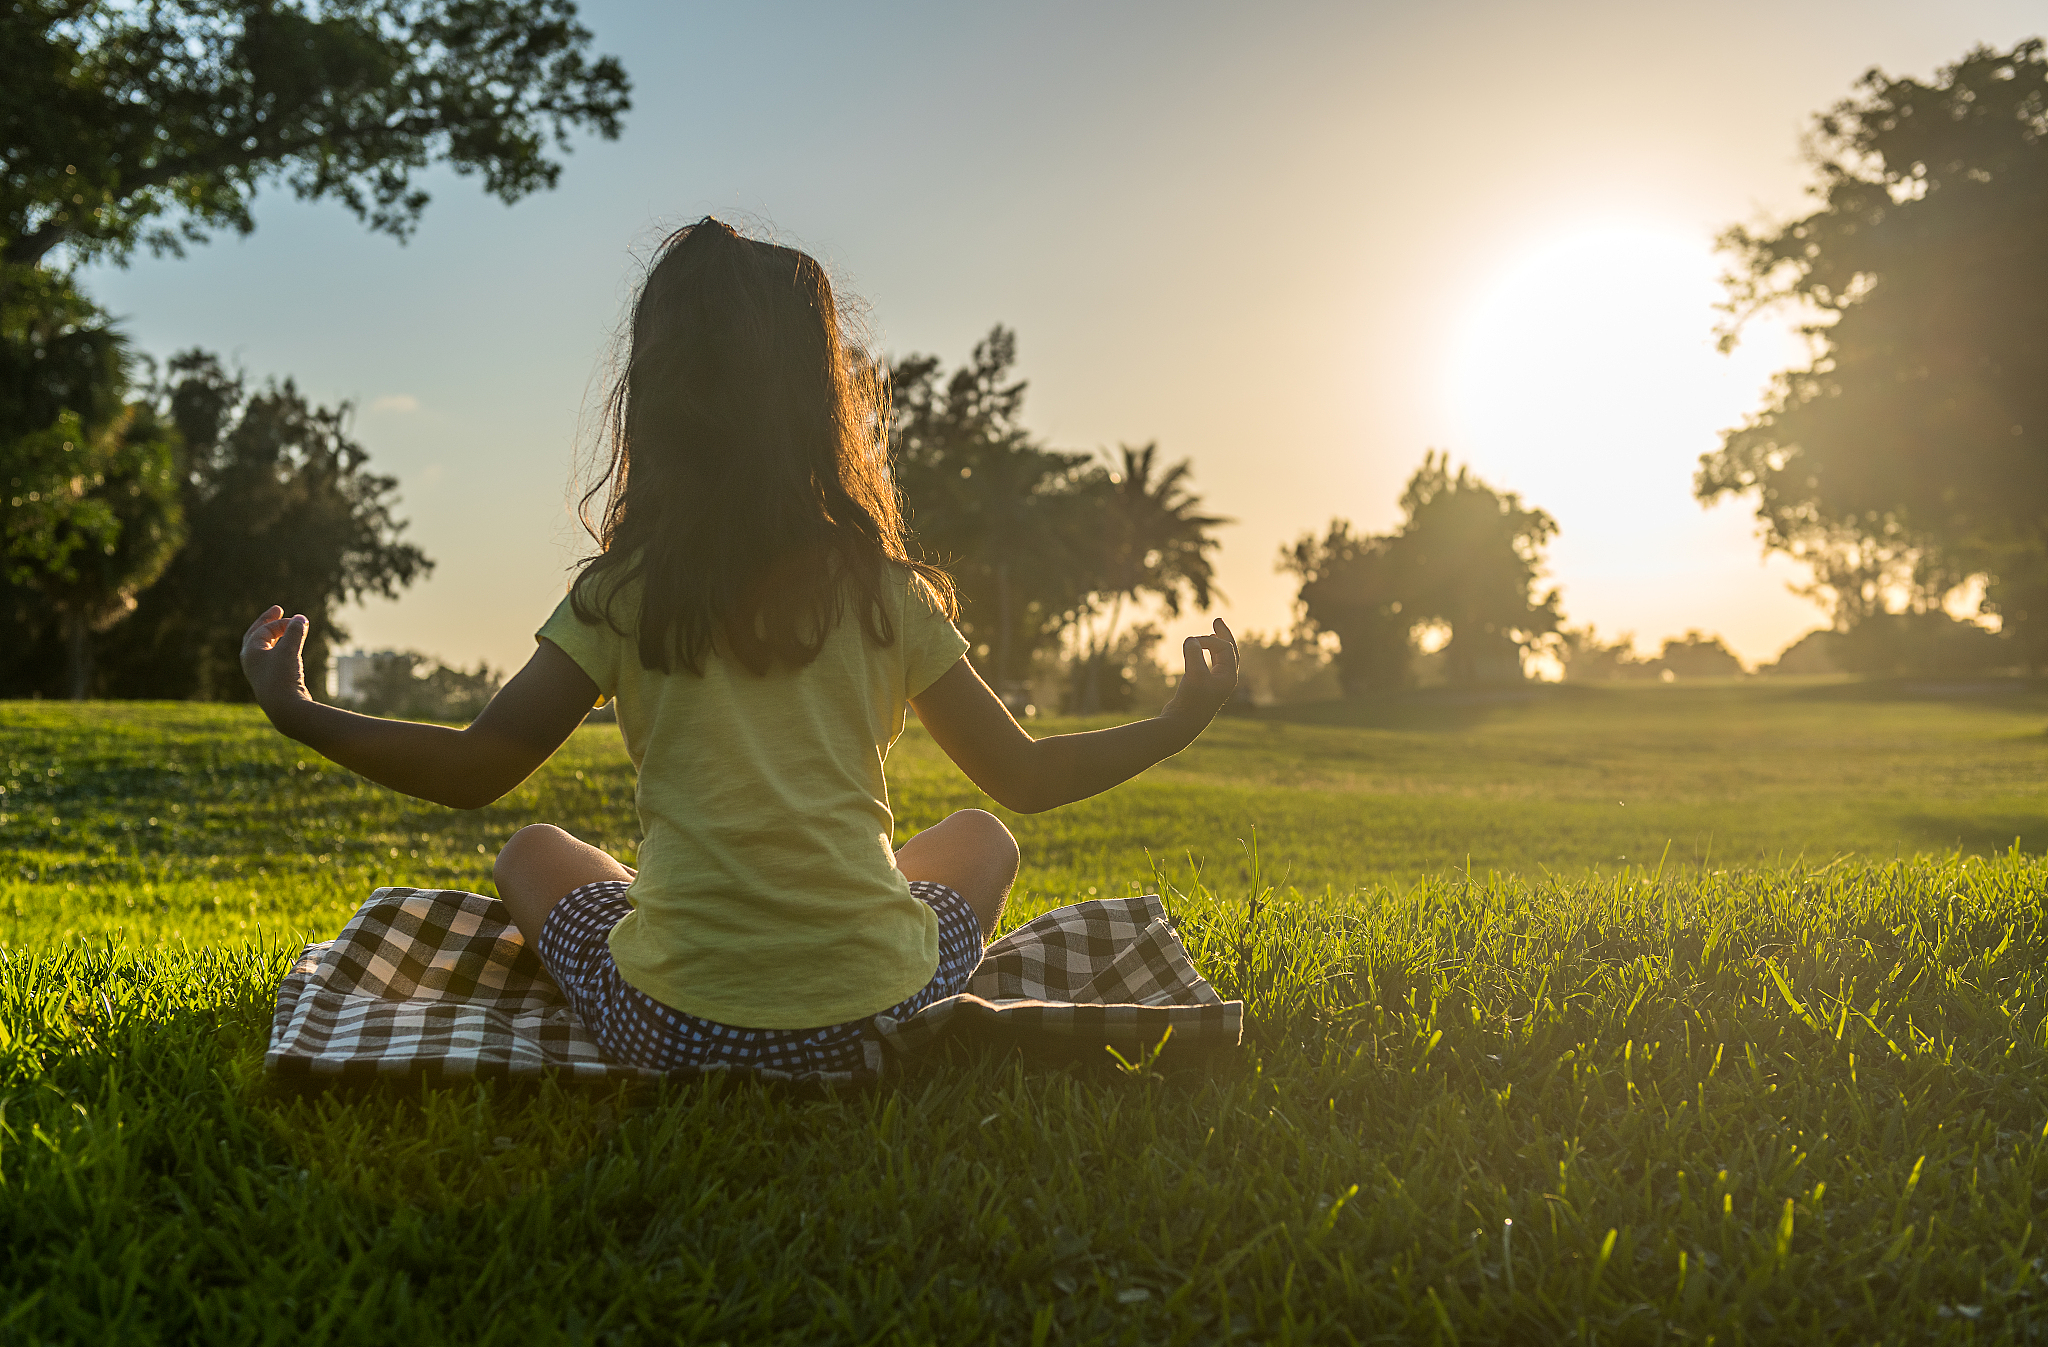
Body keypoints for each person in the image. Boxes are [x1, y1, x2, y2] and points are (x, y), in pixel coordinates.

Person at [239, 217, 1238, 1076]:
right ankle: (785, 933)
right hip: (871, 1022)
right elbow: (1022, 775)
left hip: (667, 1025)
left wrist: (300, 707)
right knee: (982, 835)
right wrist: (1171, 721)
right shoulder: (887, 596)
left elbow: (473, 770)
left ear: (659, 399)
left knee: (537, 851)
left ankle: (685, 922)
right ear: (818, 399)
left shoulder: (622, 596)